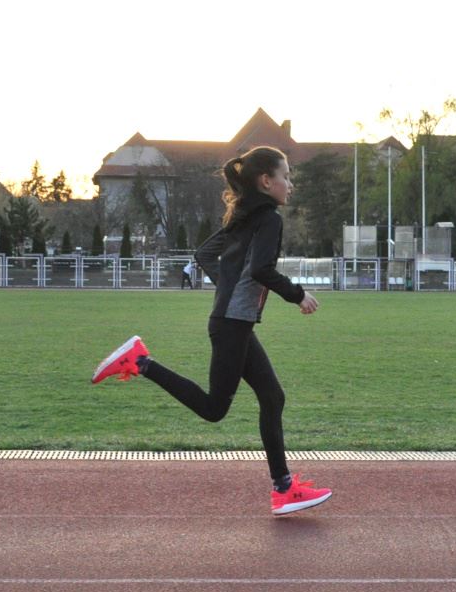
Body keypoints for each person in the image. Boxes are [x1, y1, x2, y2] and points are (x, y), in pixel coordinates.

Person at [92, 146, 330, 515]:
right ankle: (140, 362)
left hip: (234, 322)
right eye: (286, 176)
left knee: (272, 397)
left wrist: (229, 289)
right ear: (266, 181)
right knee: (214, 408)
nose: (291, 184)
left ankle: (283, 488)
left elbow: (203, 254)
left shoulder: (244, 219)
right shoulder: (267, 219)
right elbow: (261, 270)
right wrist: (298, 295)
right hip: (232, 325)